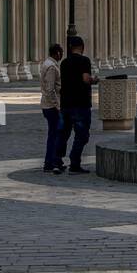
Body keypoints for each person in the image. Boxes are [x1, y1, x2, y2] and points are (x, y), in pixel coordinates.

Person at [56, 36, 97, 174]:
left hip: (66, 103)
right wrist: (94, 80)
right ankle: (74, 163)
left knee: (63, 134)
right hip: (81, 103)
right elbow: (85, 79)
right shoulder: (84, 61)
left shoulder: (64, 63)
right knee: (82, 135)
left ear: (70, 47)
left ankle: (57, 162)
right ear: (82, 47)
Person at [39, 44, 64, 174]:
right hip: (51, 106)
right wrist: (57, 106)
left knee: (54, 134)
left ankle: (54, 161)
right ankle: (50, 162)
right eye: (61, 53)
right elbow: (50, 89)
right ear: (58, 53)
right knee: (54, 135)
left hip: (47, 105)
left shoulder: (47, 63)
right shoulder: (52, 67)